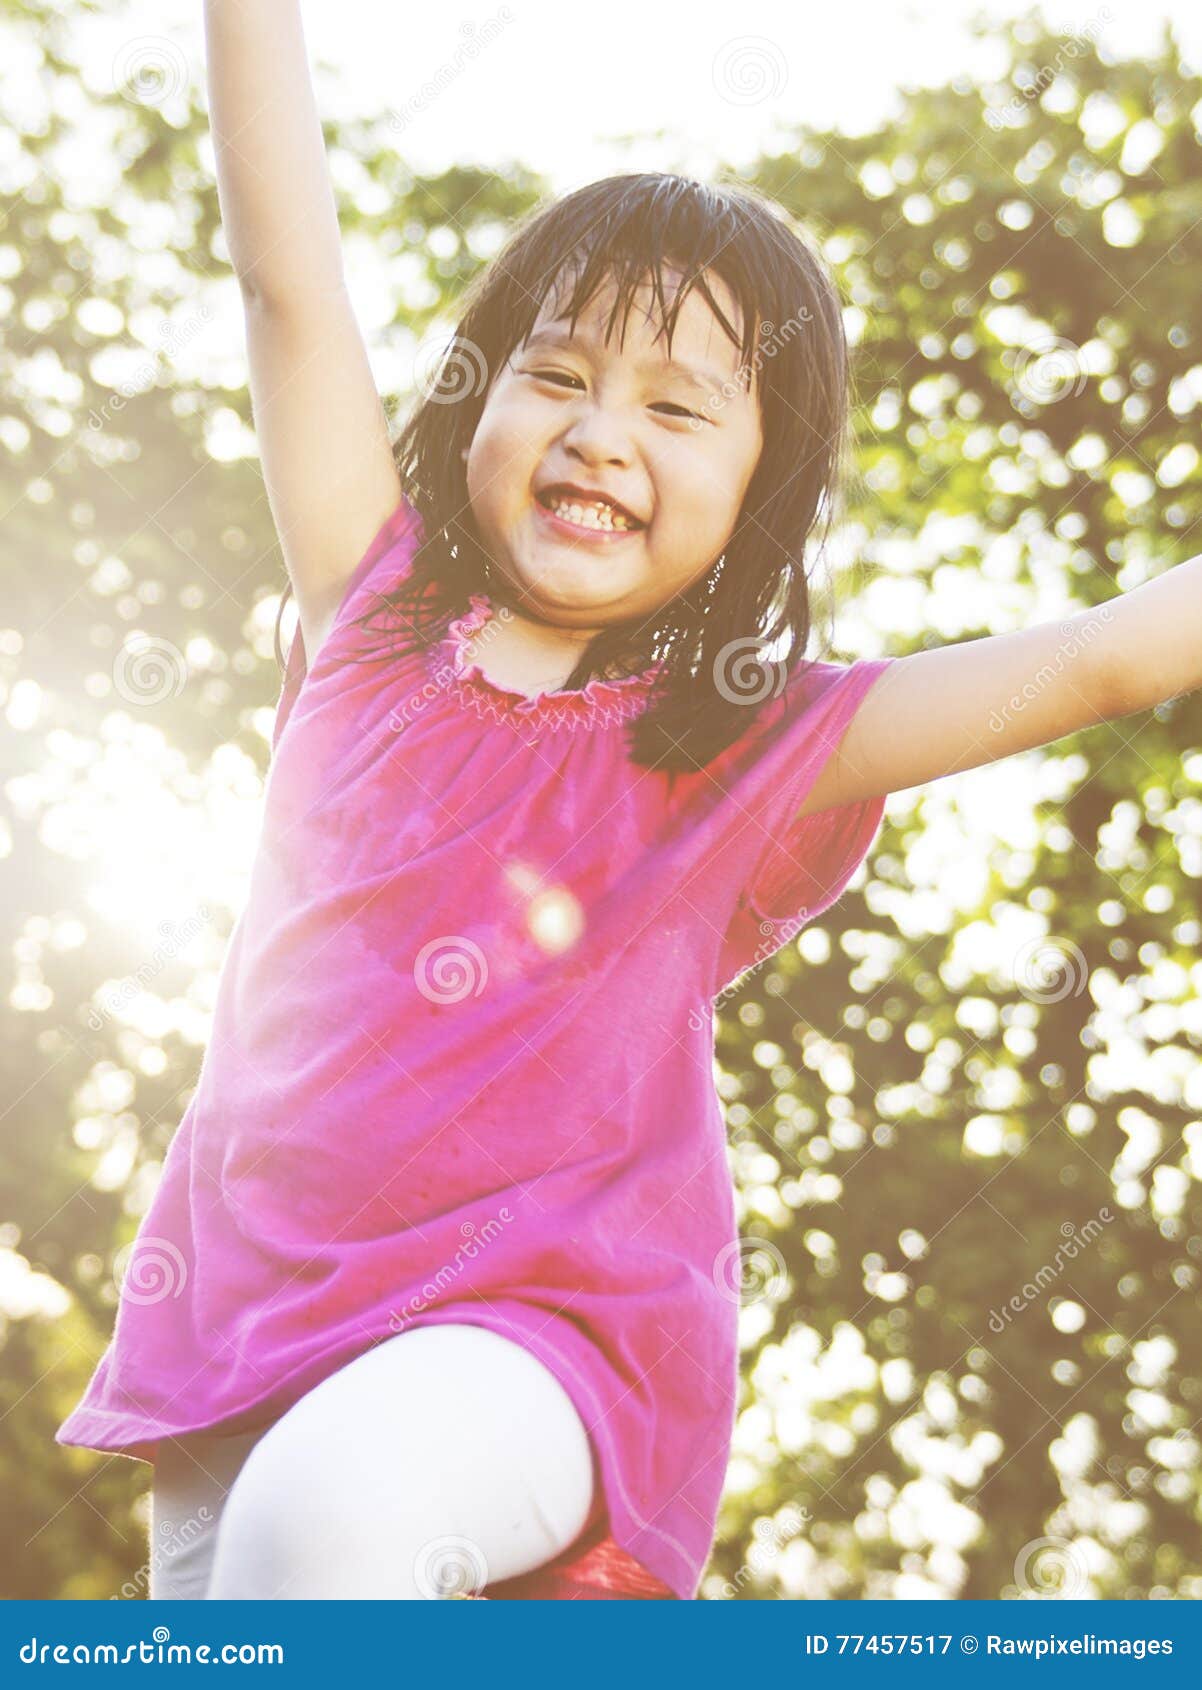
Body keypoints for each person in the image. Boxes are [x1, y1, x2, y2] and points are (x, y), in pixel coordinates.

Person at [55, 0, 1202, 1601]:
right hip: (243, 1354)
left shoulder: (739, 743)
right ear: (477, 398)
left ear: (754, 493)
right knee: (269, 1573)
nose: (600, 432)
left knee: (322, 1528)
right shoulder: (372, 622)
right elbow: (284, 282)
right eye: (559, 373)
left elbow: (1093, 661)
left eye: (676, 407)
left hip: (542, 1344)